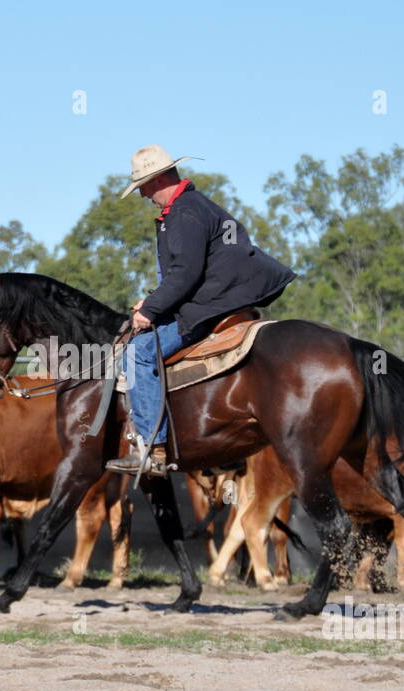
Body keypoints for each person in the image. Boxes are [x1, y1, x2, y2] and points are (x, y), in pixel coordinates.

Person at [105, 144, 296, 476]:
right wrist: (151, 300)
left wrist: (149, 310)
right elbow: (188, 272)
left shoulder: (184, 213)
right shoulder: (192, 207)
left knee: (138, 352)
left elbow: (185, 274)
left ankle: (152, 449)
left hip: (212, 303)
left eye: (144, 187)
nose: (143, 195)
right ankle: (219, 447)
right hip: (222, 296)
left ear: (160, 179)